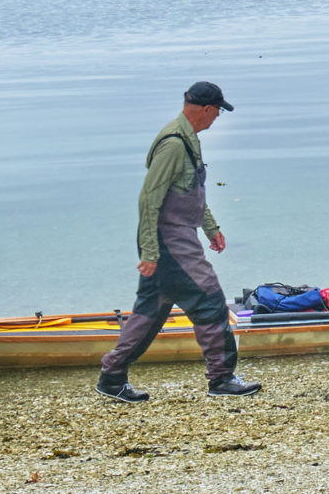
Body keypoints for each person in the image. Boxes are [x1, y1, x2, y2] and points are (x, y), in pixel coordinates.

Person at [96, 81, 260, 401]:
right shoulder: (173, 143)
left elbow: (190, 192)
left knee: (150, 312)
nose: (217, 118)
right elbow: (149, 198)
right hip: (169, 242)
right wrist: (150, 252)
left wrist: (211, 228)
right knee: (209, 299)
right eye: (217, 111)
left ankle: (112, 378)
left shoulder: (189, 139)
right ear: (207, 109)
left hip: (177, 237)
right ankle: (222, 378)